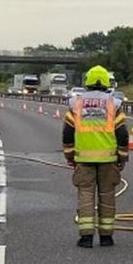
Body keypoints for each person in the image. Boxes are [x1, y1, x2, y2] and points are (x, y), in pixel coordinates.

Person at [63, 65, 128, 248]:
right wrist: (121, 158)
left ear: (88, 82)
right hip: (109, 160)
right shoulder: (113, 104)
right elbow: (122, 134)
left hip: (83, 159)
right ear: (107, 82)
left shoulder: (76, 103)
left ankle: (86, 238)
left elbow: (68, 133)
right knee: (107, 197)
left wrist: (70, 156)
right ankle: (106, 237)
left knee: (86, 196)